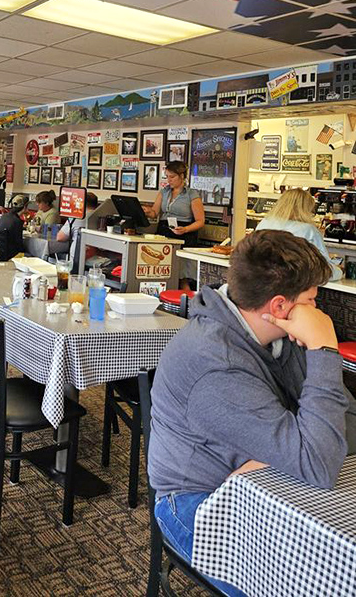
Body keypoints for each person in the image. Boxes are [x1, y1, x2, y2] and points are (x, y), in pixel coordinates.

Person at [148, 230, 356, 597]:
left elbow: (345, 425)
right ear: (279, 306)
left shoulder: (276, 334)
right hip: (194, 502)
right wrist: (324, 348)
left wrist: (292, 453)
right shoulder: (215, 362)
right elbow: (319, 461)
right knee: (299, 583)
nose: (318, 312)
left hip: (261, 487)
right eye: (312, 300)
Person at [257, 187, 342, 281]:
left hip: (264, 282)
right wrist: (339, 271)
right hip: (293, 286)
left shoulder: (264, 223)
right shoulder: (308, 230)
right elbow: (323, 270)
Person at [144, 160, 204, 247]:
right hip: (163, 231)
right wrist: (146, 211)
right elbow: (154, 213)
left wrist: (186, 229)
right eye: (167, 177)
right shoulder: (164, 191)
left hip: (182, 234)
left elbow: (200, 221)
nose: (169, 180)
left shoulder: (191, 194)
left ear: (182, 176)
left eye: (172, 177)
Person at [56, 190, 98, 264]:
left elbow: (60, 237)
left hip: (77, 257)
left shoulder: (77, 216)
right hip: (96, 258)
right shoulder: (101, 217)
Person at [0, 194, 27, 261]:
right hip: (9, 253)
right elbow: (19, 244)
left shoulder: (4, 216)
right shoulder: (17, 221)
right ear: (25, 207)